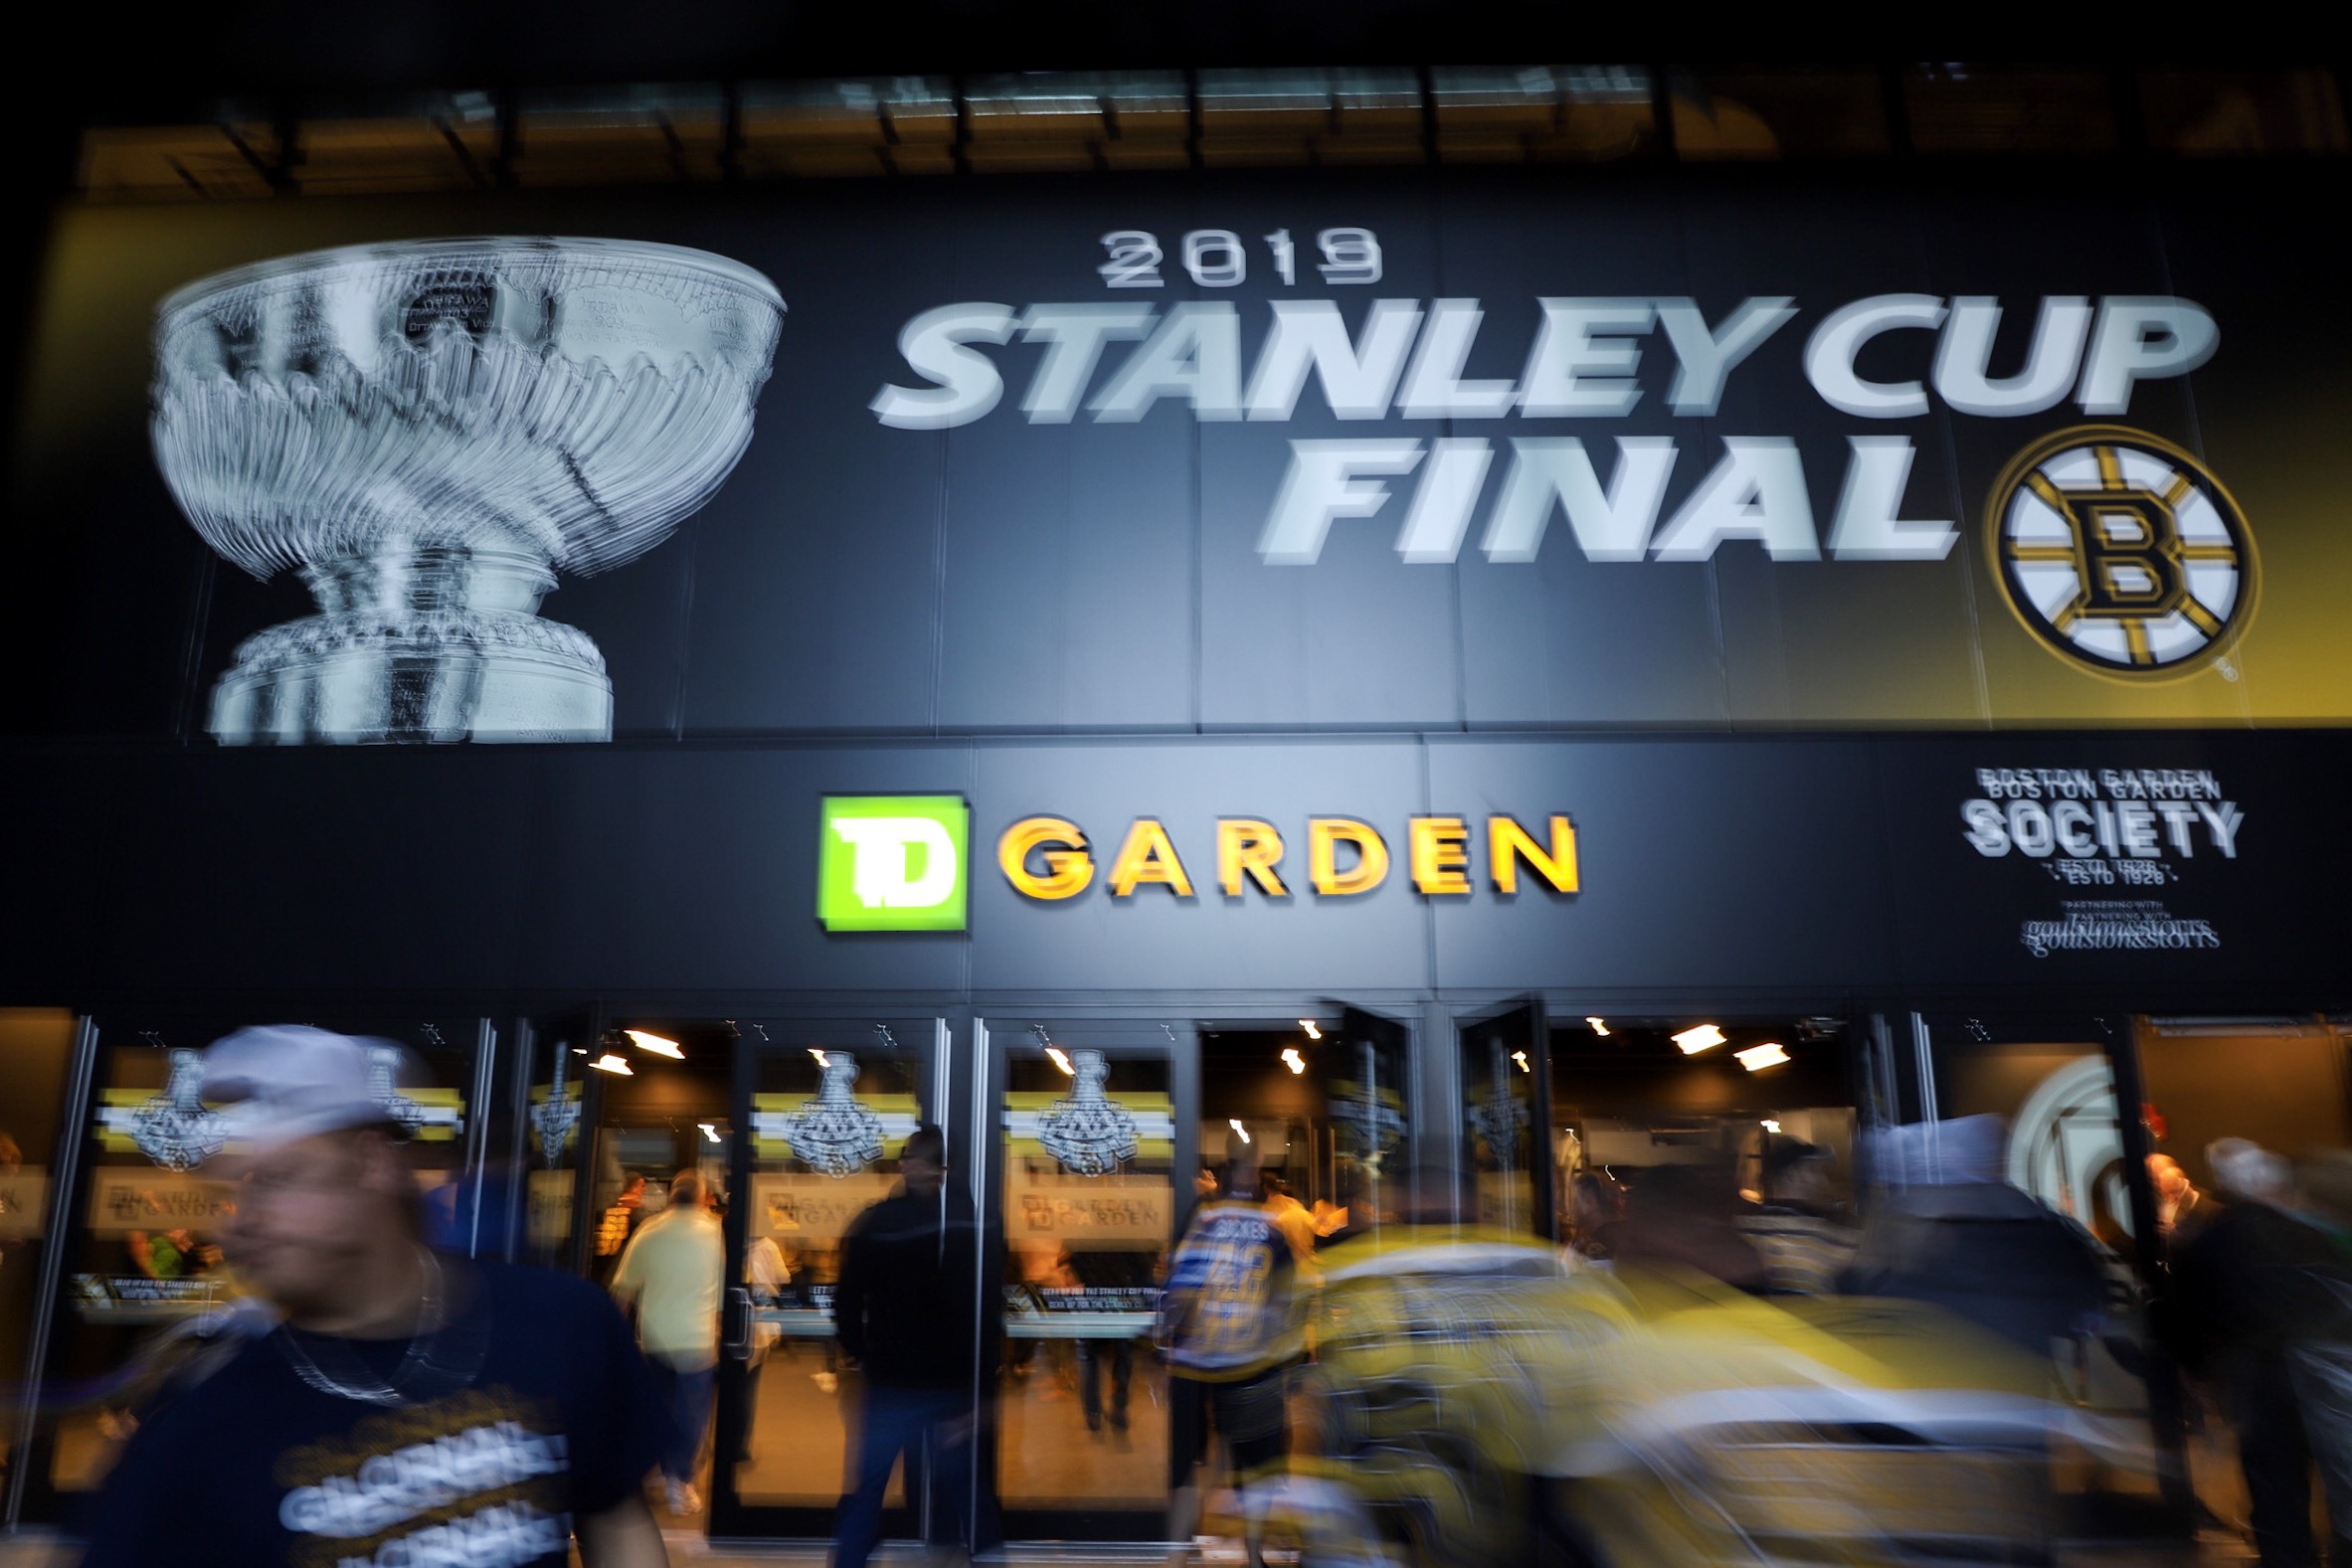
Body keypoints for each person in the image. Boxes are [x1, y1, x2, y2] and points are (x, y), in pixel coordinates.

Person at [77, 1024, 669, 1568]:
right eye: (226, 1192)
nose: (238, 1223)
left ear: (370, 1162)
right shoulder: (201, 1424)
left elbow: (614, 1519)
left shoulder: (559, 1324)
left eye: (275, 1179)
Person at [2176, 1137, 2352, 1568]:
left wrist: (2200, 1374)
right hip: (2323, 1374)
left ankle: (2289, 1559)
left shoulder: (2208, 1240)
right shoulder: (2311, 1231)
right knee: (2339, 1478)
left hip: (2254, 1376)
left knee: (2276, 1486)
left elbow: (2192, 1315)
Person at [831, 1125, 999, 1568]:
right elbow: (985, 1312)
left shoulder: (877, 1222)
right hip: (949, 1387)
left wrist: (862, 1355)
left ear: (914, 1165)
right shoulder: (970, 1223)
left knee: (867, 1491)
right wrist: (982, 1388)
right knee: (968, 1494)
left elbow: (846, 1299)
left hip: (890, 1383)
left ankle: (851, 1560)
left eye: (913, 1158)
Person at [1160, 1132, 1302, 1568]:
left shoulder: (1202, 1216)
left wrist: (1163, 1342)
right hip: (1248, 1362)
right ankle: (1255, 1555)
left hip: (1195, 1359)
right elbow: (1285, 1300)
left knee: (1188, 1463)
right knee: (1253, 1465)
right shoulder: (1272, 1227)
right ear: (1252, 1170)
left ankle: (1178, 1555)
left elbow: (1178, 1284)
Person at [610, 1167, 724, 1516]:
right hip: (696, 1338)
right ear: (703, 1197)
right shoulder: (715, 1233)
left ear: (672, 1195)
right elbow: (725, 1291)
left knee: (660, 1408)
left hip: (655, 1337)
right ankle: (680, 1480)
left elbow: (622, 1290)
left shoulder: (649, 1230)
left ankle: (661, 1469)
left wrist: (615, 1338)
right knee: (691, 1414)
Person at [592, 1173, 649, 1288]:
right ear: (632, 1188)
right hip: (618, 1278)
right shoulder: (637, 1220)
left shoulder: (603, 1212)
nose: (644, 1189)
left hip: (596, 1275)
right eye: (641, 1186)